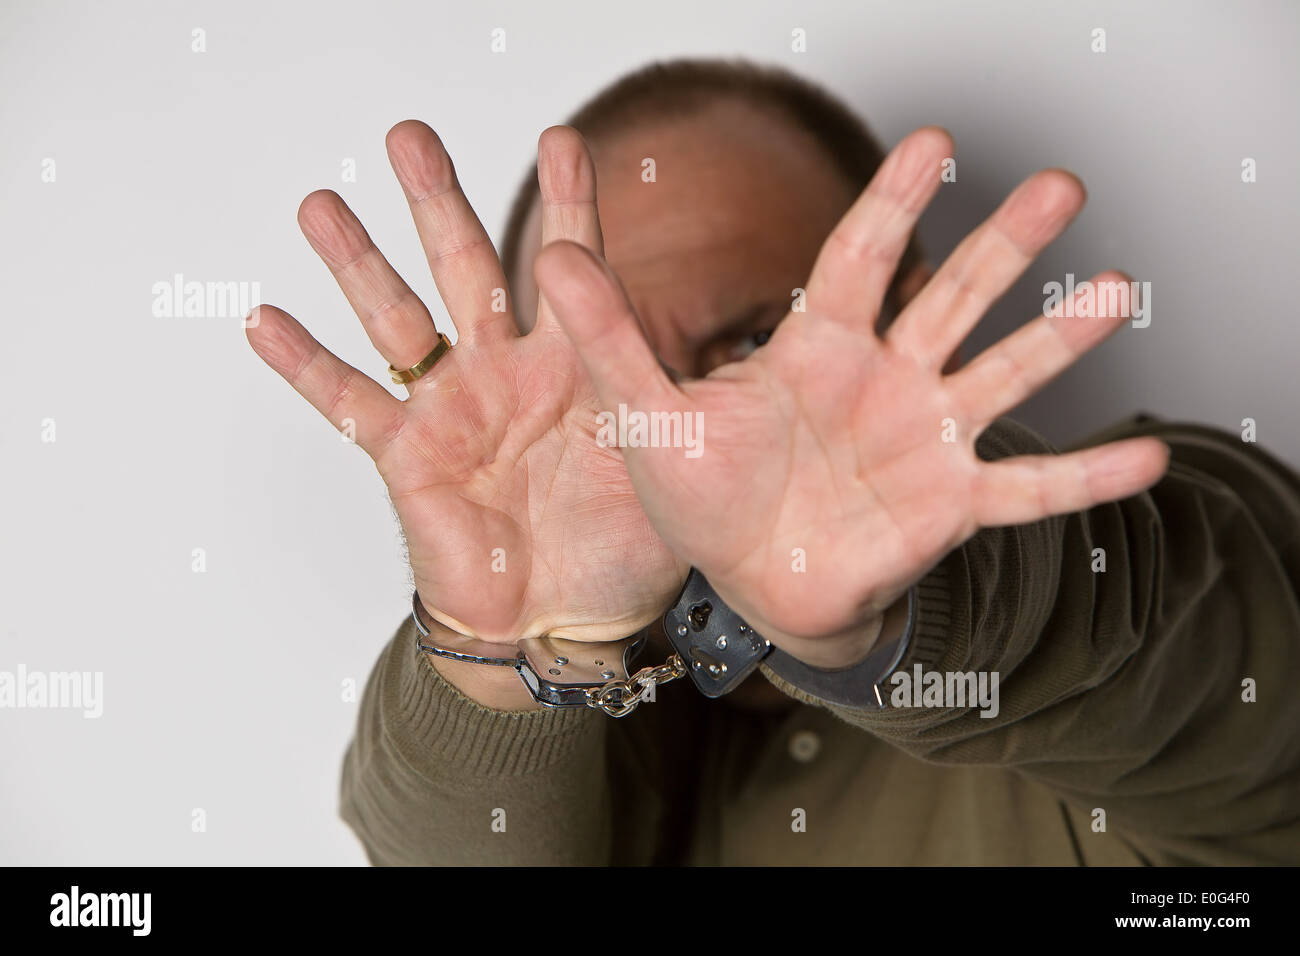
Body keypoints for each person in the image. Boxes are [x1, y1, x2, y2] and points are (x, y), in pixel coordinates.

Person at [246, 58, 1300, 865]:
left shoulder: (1148, 546)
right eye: (606, 379)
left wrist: (894, 612)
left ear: (909, 306)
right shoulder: (625, 764)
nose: (682, 433)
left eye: (756, 346)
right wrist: (507, 650)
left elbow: (1220, 659)